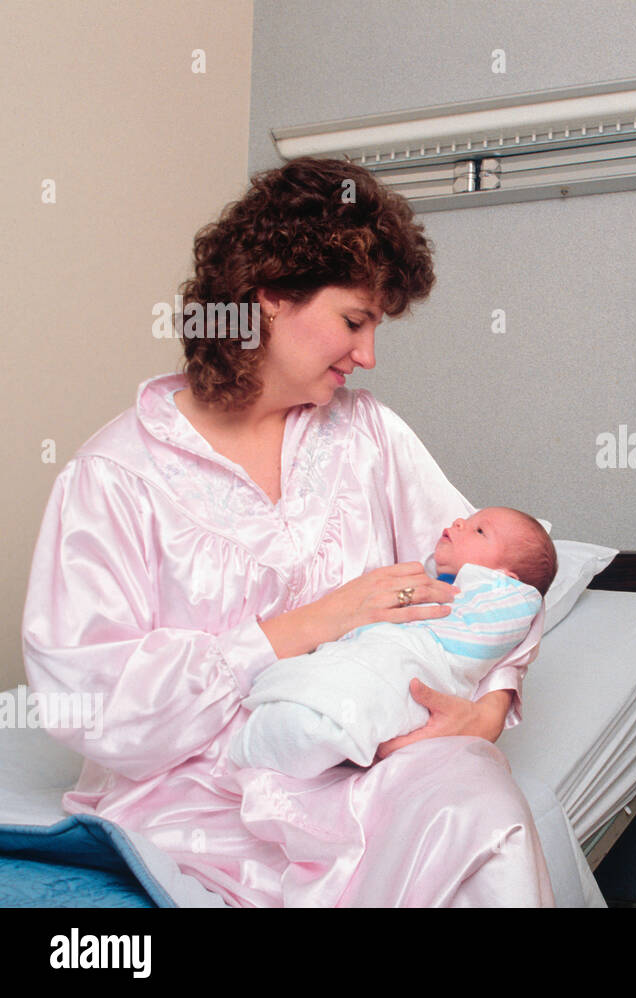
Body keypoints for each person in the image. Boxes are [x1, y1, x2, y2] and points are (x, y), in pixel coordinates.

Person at [22, 158, 555, 907]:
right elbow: (91, 698)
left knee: (480, 815)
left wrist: (486, 713)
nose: (368, 356)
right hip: (193, 795)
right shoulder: (116, 476)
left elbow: (501, 579)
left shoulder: (369, 436)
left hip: (367, 765)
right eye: (355, 321)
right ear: (270, 299)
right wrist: (308, 625)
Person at [230, 508, 558, 779]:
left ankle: (307, 732)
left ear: (504, 580)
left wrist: (488, 718)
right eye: (468, 520)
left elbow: (524, 604)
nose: (459, 522)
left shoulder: (504, 603)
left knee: (373, 683)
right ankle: (289, 719)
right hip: (359, 646)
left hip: (419, 663)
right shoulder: (437, 581)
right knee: (329, 670)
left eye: (479, 531)